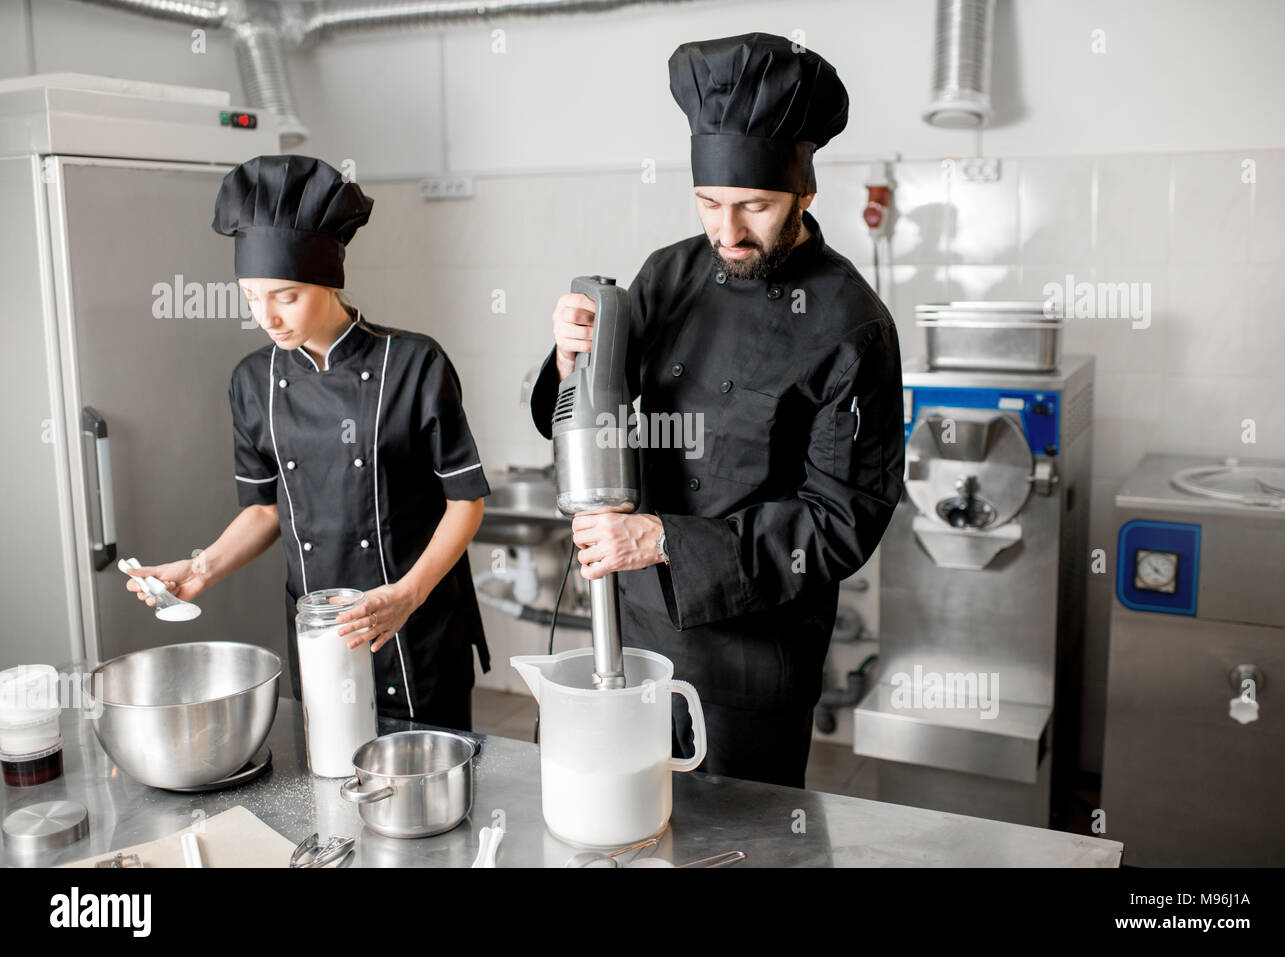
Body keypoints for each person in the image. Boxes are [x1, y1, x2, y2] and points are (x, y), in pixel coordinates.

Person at [530, 33, 905, 787]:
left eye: (753, 207)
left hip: (753, 659)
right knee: (626, 815)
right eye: (709, 204)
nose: (727, 233)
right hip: (633, 627)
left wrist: (665, 538)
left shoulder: (851, 324)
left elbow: (840, 522)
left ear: (803, 192)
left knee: (743, 845)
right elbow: (591, 408)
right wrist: (572, 358)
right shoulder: (669, 273)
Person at [126, 154, 491, 730]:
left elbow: (465, 501)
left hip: (418, 629)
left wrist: (406, 595)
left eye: (286, 295)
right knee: (333, 775)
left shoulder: (413, 363)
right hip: (322, 635)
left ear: (328, 279)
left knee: (434, 796)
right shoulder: (252, 381)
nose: (267, 317)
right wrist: (202, 568)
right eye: (251, 297)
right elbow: (267, 508)